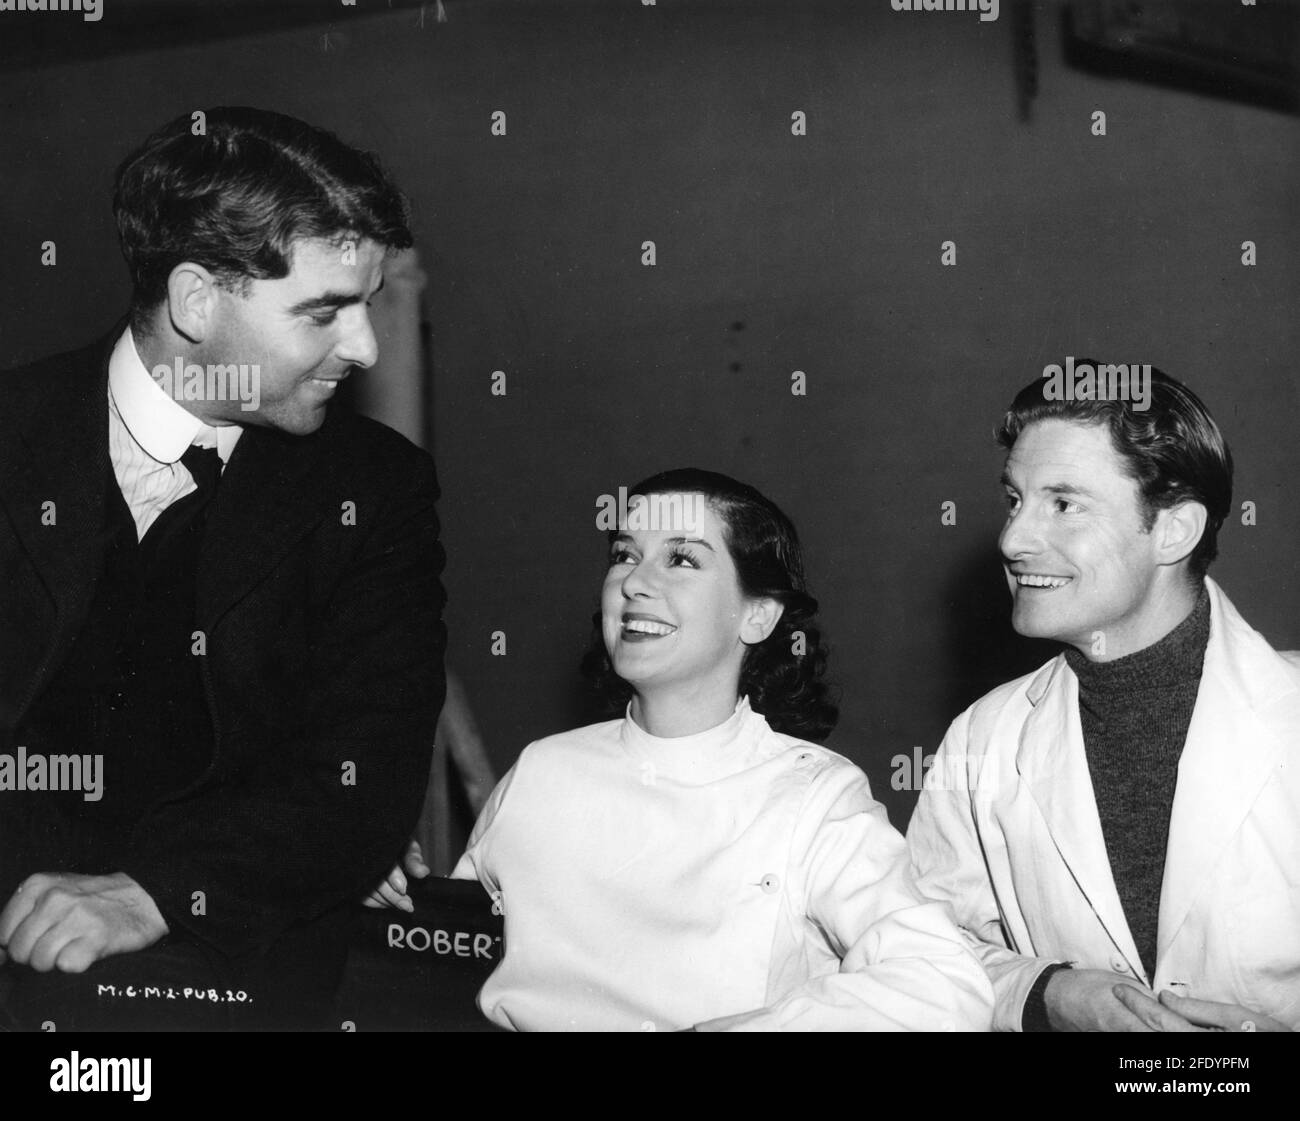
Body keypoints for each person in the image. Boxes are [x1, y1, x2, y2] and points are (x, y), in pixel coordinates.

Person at [0, 106, 446, 1028]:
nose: (363, 347)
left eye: (366, 306)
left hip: (228, 971)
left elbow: (364, 770)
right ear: (197, 301)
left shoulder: (374, 486)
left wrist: (156, 891)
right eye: (326, 311)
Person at [450, 468, 994, 1031]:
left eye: (682, 559)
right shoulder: (543, 769)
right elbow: (446, 957)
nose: (635, 582)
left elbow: (944, 986)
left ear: (757, 615)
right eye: (624, 555)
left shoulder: (814, 795)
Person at [906, 365, 1299, 1032]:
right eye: (1014, 499)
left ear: (1173, 531)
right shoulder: (982, 738)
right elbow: (916, 951)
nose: (1012, 539)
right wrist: (1046, 993)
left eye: (1064, 503)